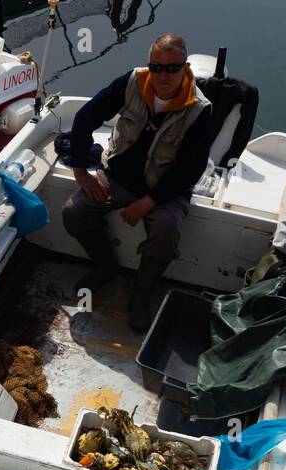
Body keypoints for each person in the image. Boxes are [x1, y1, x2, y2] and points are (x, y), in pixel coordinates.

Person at [61, 33, 213, 332]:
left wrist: (148, 202)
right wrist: (80, 170)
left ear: (186, 68)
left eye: (173, 68)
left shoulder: (199, 108)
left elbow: (190, 171)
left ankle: (141, 294)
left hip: (165, 189)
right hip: (118, 177)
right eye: (157, 67)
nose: (163, 75)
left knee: (166, 231)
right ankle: (106, 265)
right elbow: (85, 117)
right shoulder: (132, 82)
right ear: (149, 65)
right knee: (74, 211)